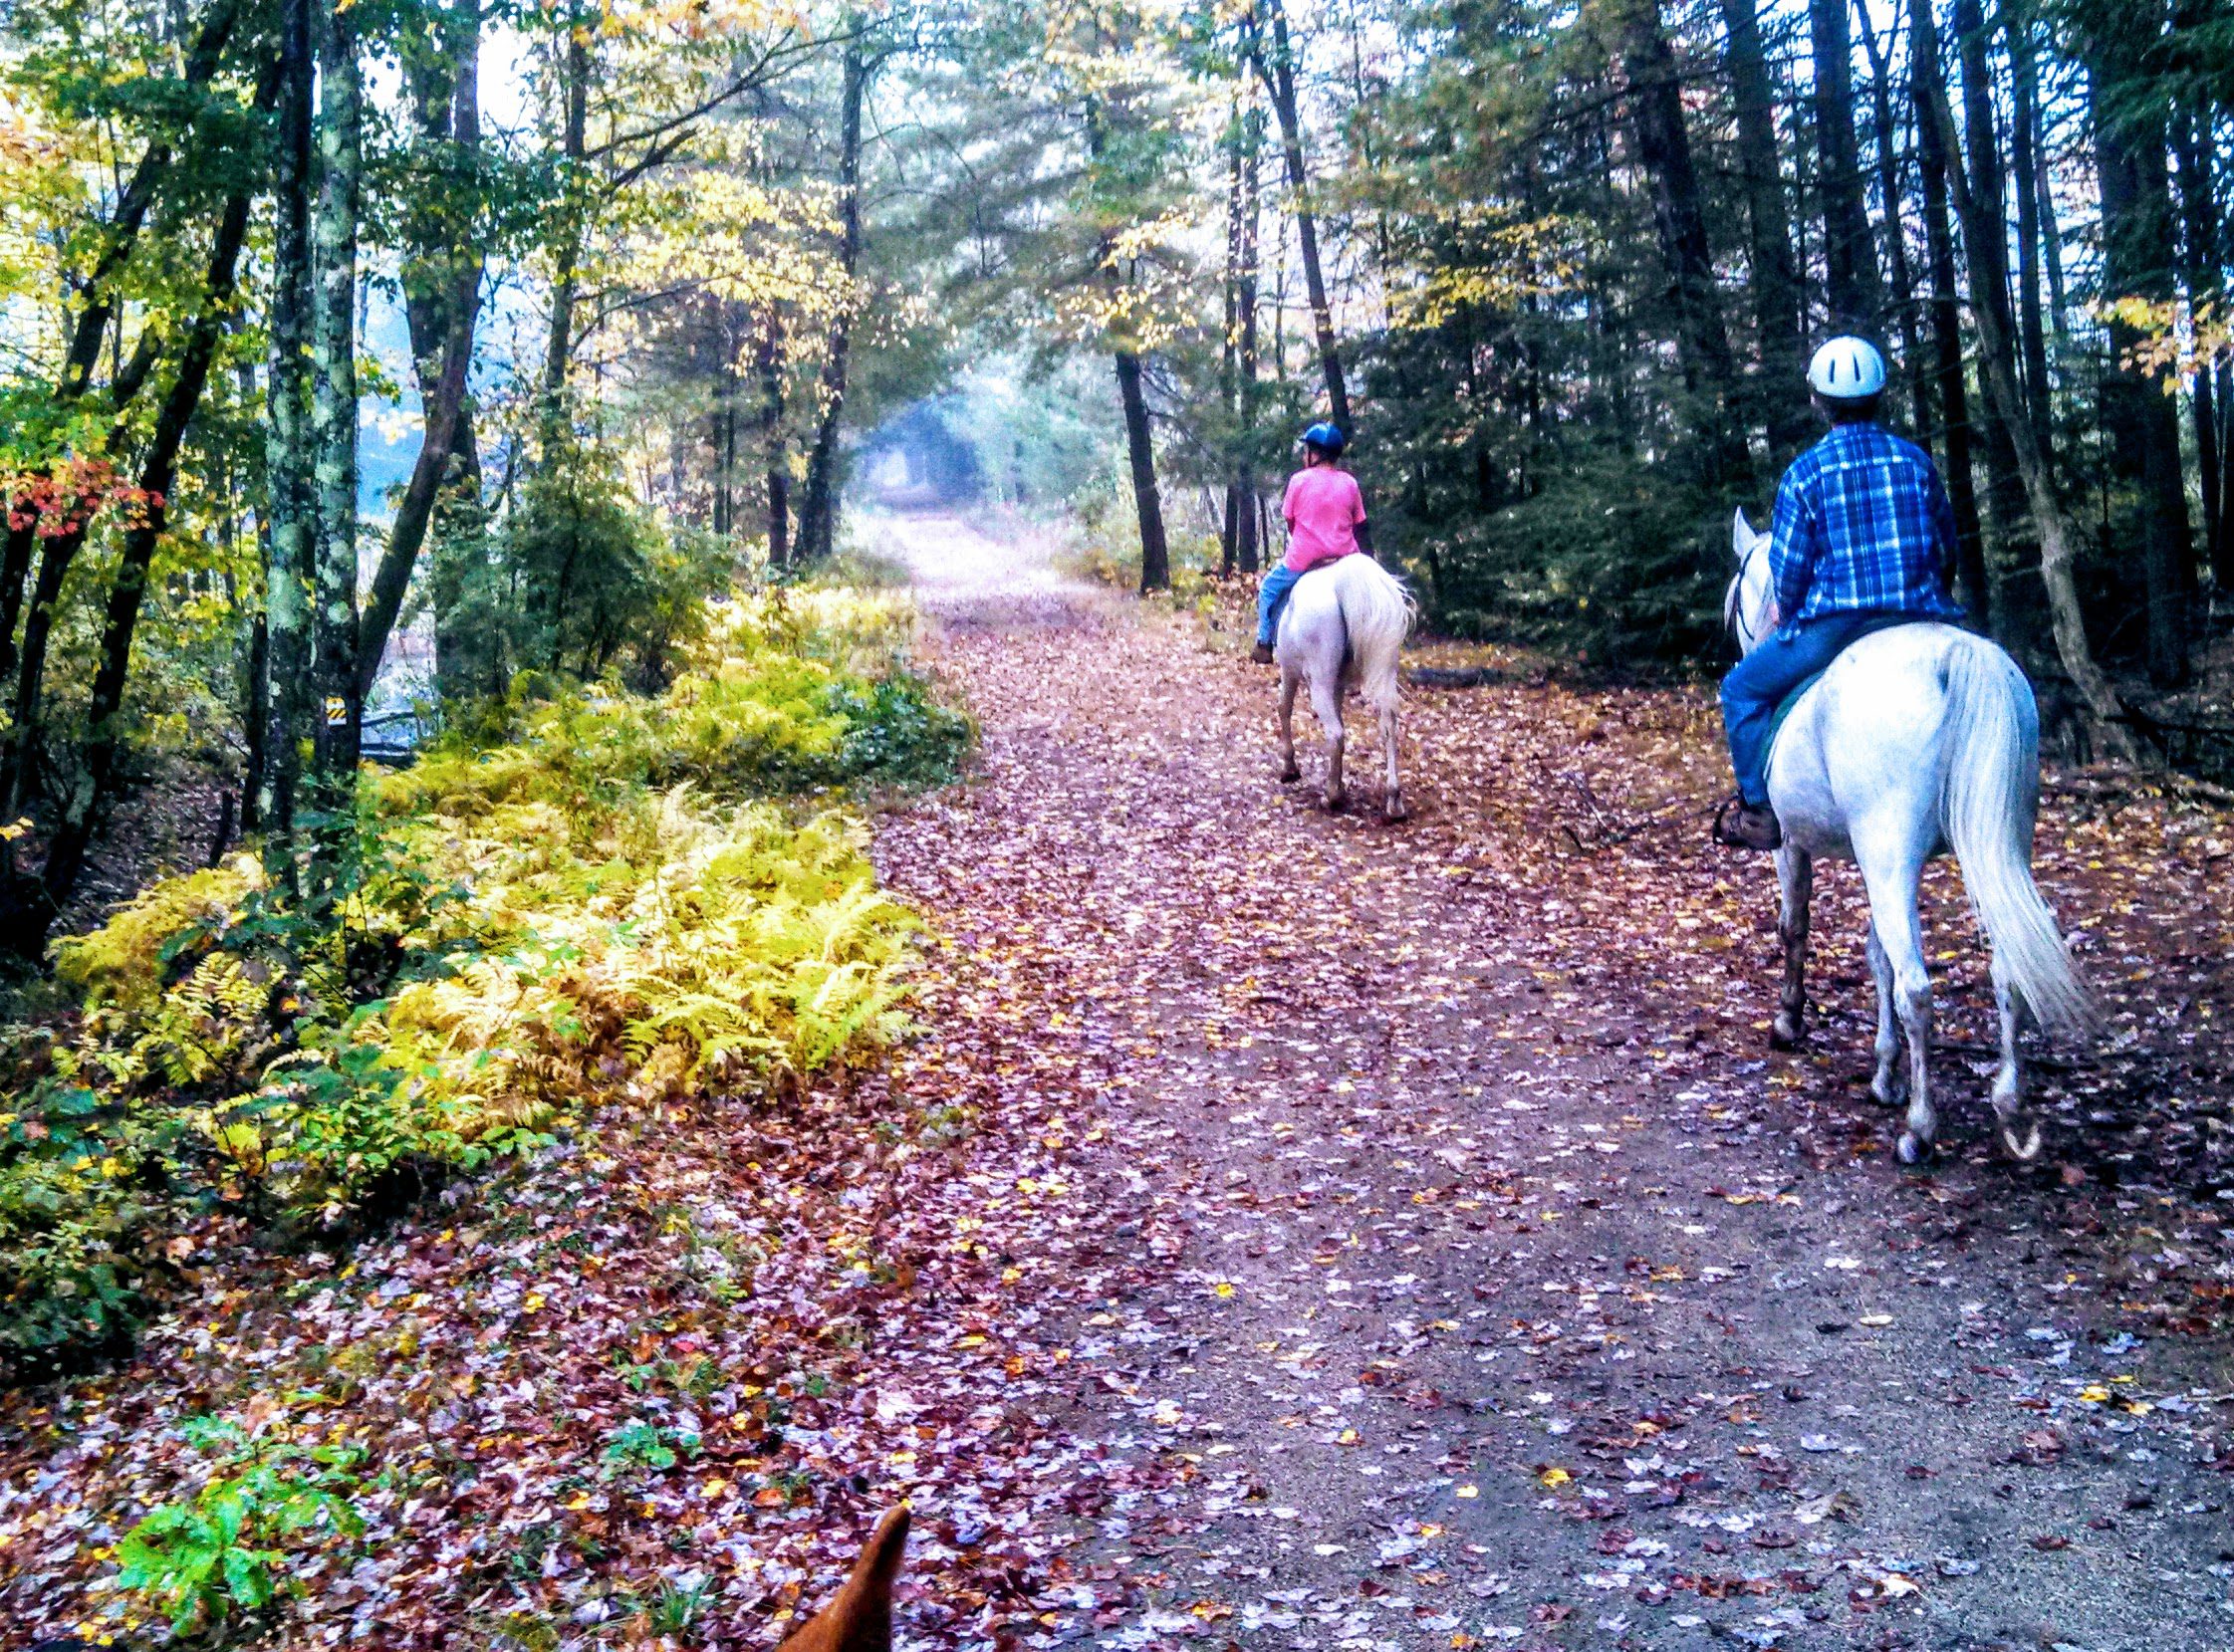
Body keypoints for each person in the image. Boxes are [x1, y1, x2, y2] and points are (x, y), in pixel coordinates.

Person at [1715, 338, 1965, 851]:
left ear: (1817, 400)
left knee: (1740, 690)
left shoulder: (1805, 473)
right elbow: (1947, 552)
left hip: (1837, 627)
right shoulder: (1916, 462)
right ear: (1881, 396)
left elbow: (1787, 579)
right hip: (1921, 616)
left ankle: (1759, 813)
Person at [1253, 422, 1375, 664]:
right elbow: (1358, 520)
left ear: (1315, 454)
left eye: (1306, 450)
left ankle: (1264, 643)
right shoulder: (1350, 483)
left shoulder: (1298, 480)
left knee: (1267, 589)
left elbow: (1290, 520)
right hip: (1345, 559)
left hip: (1304, 558)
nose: (1303, 455)